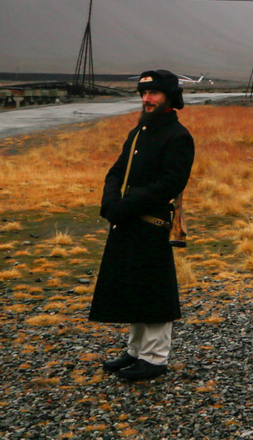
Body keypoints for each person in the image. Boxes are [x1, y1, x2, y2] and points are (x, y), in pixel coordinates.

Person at [89, 69, 195, 382]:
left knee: (154, 292)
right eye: (143, 94)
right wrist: (109, 204)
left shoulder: (179, 136)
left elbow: (169, 183)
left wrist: (125, 207)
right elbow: (116, 171)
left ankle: (155, 359)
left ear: (170, 97)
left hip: (151, 224)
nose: (147, 99)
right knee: (133, 288)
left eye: (154, 93)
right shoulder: (138, 132)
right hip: (126, 222)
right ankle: (135, 352)